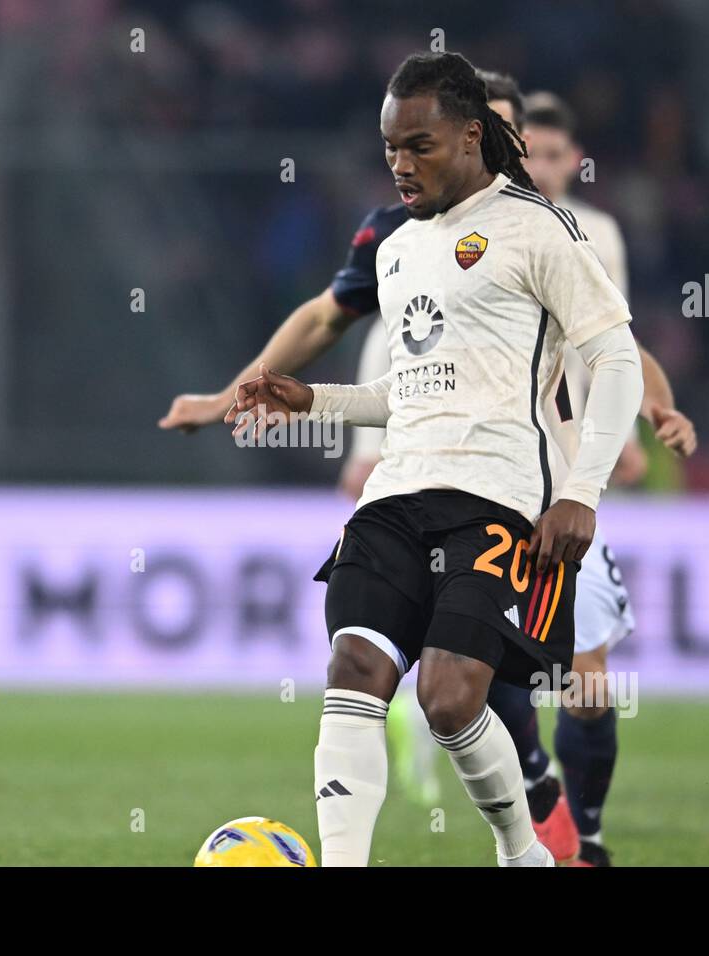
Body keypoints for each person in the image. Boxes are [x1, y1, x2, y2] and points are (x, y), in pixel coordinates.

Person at [230, 52, 643, 867]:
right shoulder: (398, 248)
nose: (401, 165)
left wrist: (583, 490)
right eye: (390, 150)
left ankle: (521, 851)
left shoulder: (539, 229)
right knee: (353, 668)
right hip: (394, 495)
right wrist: (313, 400)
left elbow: (618, 360)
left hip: (497, 499)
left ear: (472, 136)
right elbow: (410, 390)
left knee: (451, 697)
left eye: (419, 146)